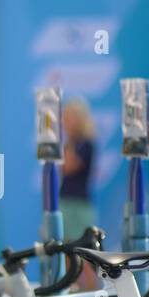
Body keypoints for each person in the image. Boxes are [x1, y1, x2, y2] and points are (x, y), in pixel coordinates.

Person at [60, 97, 96, 237]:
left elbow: (68, 167)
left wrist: (69, 142)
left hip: (79, 205)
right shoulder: (69, 143)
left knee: (82, 251)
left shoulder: (86, 143)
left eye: (68, 117)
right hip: (65, 200)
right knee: (64, 248)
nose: (64, 122)